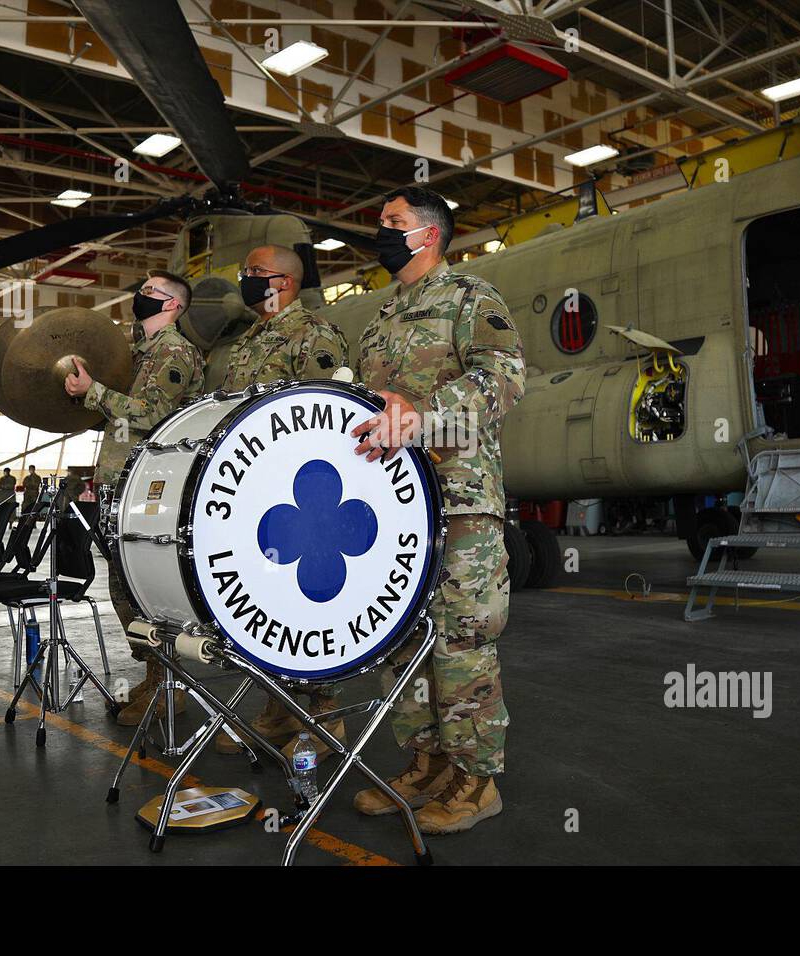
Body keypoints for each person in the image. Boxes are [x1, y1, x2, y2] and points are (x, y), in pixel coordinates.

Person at [348, 185, 525, 834]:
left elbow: (503, 379)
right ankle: (426, 763)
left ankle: (476, 781)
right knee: (401, 645)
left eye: (393, 221)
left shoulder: (470, 299)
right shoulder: (378, 320)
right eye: (380, 220)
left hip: (460, 507)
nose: (381, 230)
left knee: (461, 646)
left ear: (429, 234)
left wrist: (422, 420)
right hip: (395, 512)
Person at [214, 244, 350, 759]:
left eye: (254, 273)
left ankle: (324, 716)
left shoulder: (314, 334)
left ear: (285, 283)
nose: (245, 281)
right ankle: (278, 708)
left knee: (307, 604)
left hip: (303, 494)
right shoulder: (251, 339)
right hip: (258, 494)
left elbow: (327, 414)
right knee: (269, 599)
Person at [63, 269, 206, 724]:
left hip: (150, 487)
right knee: (123, 588)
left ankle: (170, 685)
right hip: (122, 483)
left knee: (146, 589)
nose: (139, 296)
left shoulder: (174, 351)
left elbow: (152, 413)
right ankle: (155, 676)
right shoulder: (137, 352)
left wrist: (95, 393)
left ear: (173, 306)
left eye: (149, 292)